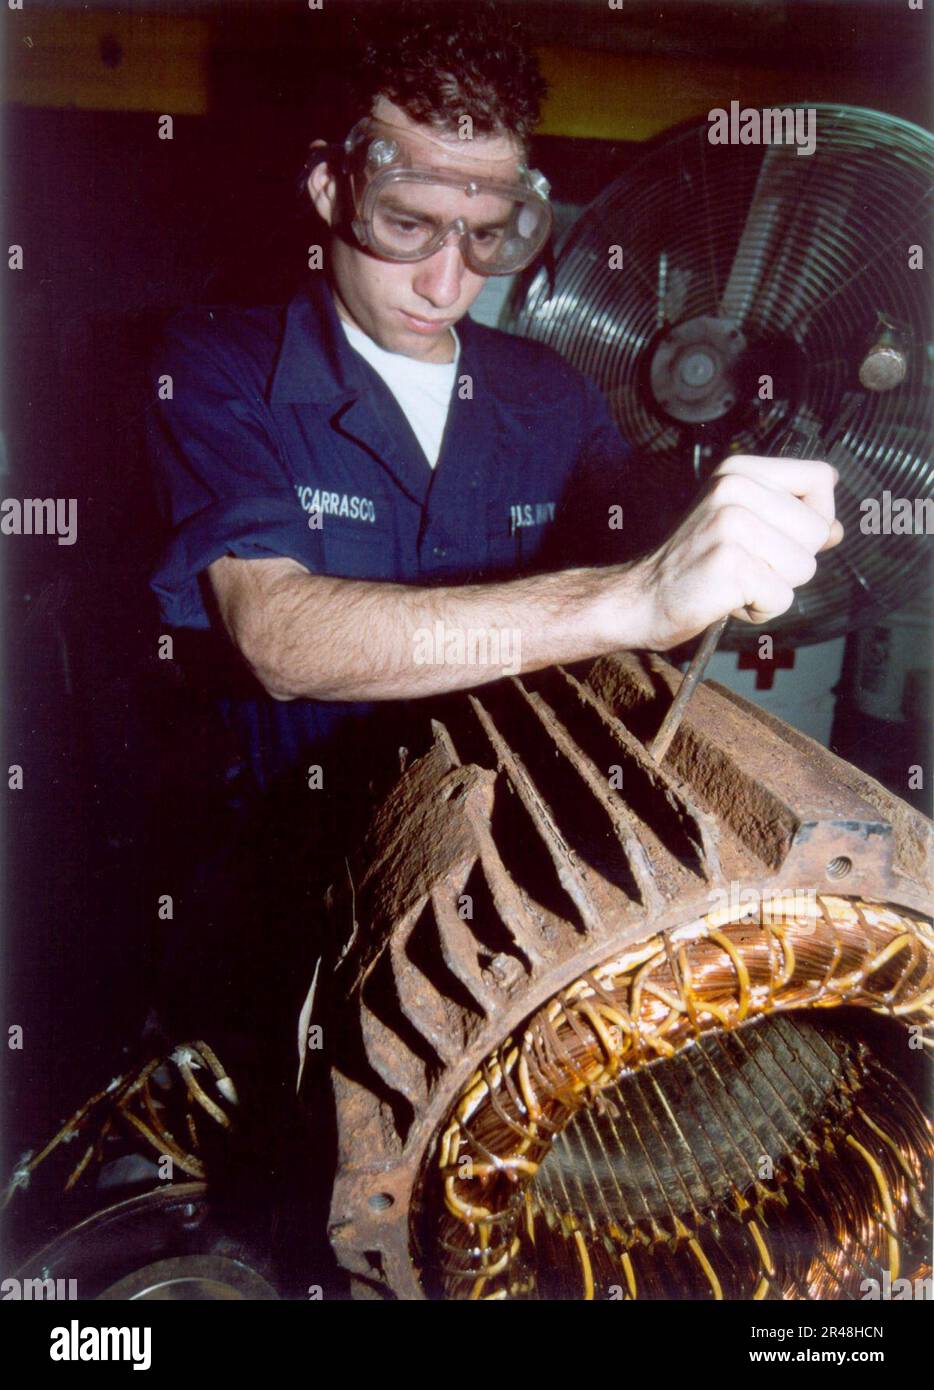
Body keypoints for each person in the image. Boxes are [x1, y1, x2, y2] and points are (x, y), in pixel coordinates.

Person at [145, 2, 841, 1077]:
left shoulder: (550, 393)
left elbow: (646, 561)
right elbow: (276, 637)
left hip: (513, 912)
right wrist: (631, 597)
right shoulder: (217, 366)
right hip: (290, 904)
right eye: (408, 223)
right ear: (331, 190)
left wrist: (734, 526)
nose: (448, 281)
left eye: (486, 235)